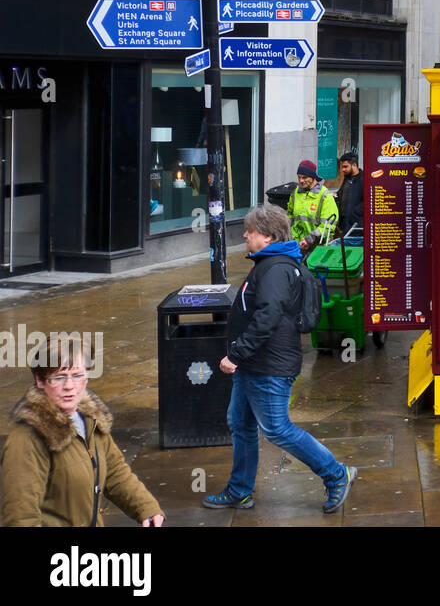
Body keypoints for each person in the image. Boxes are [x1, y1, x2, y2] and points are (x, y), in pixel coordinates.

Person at [204, 205, 356, 513]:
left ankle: (336, 474)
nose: (245, 234)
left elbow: (268, 315)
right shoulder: (272, 263)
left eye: (251, 231)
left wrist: (236, 353)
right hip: (256, 364)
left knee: (276, 429)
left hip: (268, 365)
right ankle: (239, 491)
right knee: (241, 423)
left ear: (269, 236)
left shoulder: (276, 268)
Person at [1, 336, 165, 527]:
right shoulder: (28, 439)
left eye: (77, 375)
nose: (69, 386)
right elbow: (21, 518)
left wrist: (146, 507)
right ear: (40, 380)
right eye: (59, 377)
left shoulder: (89, 420)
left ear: (87, 377)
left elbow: (115, 472)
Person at [287, 159, 339, 253]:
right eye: (299, 177)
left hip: (317, 249)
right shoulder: (295, 193)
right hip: (296, 246)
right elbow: (290, 217)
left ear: (313, 177)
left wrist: (309, 239)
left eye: (305, 177)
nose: (301, 181)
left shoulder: (325, 196)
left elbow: (328, 226)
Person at [334, 151, 364, 239]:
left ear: (354, 165)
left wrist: (355, 212)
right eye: (342, 167)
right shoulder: (346, 180)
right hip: (344, 225)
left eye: (345, 167)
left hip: (357, 227)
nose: (343, 170)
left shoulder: (364, 180)